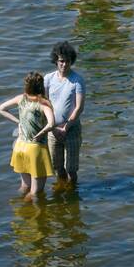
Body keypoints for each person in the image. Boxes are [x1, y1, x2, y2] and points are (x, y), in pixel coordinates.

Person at [0, 73, 55, 201]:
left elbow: (0, 109)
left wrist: (18, 122)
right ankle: (29, 212)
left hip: (20, 146)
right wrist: (41, 133)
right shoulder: (43, 103)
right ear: (41, 87)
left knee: (25, 186)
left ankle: (15, 205)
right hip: (35, 149)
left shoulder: (20, 99)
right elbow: (51, 123)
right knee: (36, 192)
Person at [44, 43, 85, 188]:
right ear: (56, 60)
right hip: (52, 130)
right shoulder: (48, 79)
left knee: (71, 170)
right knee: (57, 168)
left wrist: (66, 128)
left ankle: (72, 194)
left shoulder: (77, 80)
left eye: (67, 61)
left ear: (71, 61)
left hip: (71, 129)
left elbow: (79, 107)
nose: (64, 64)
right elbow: (44, 104)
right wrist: (53, 128)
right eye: (61, 60)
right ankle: (61, 192)